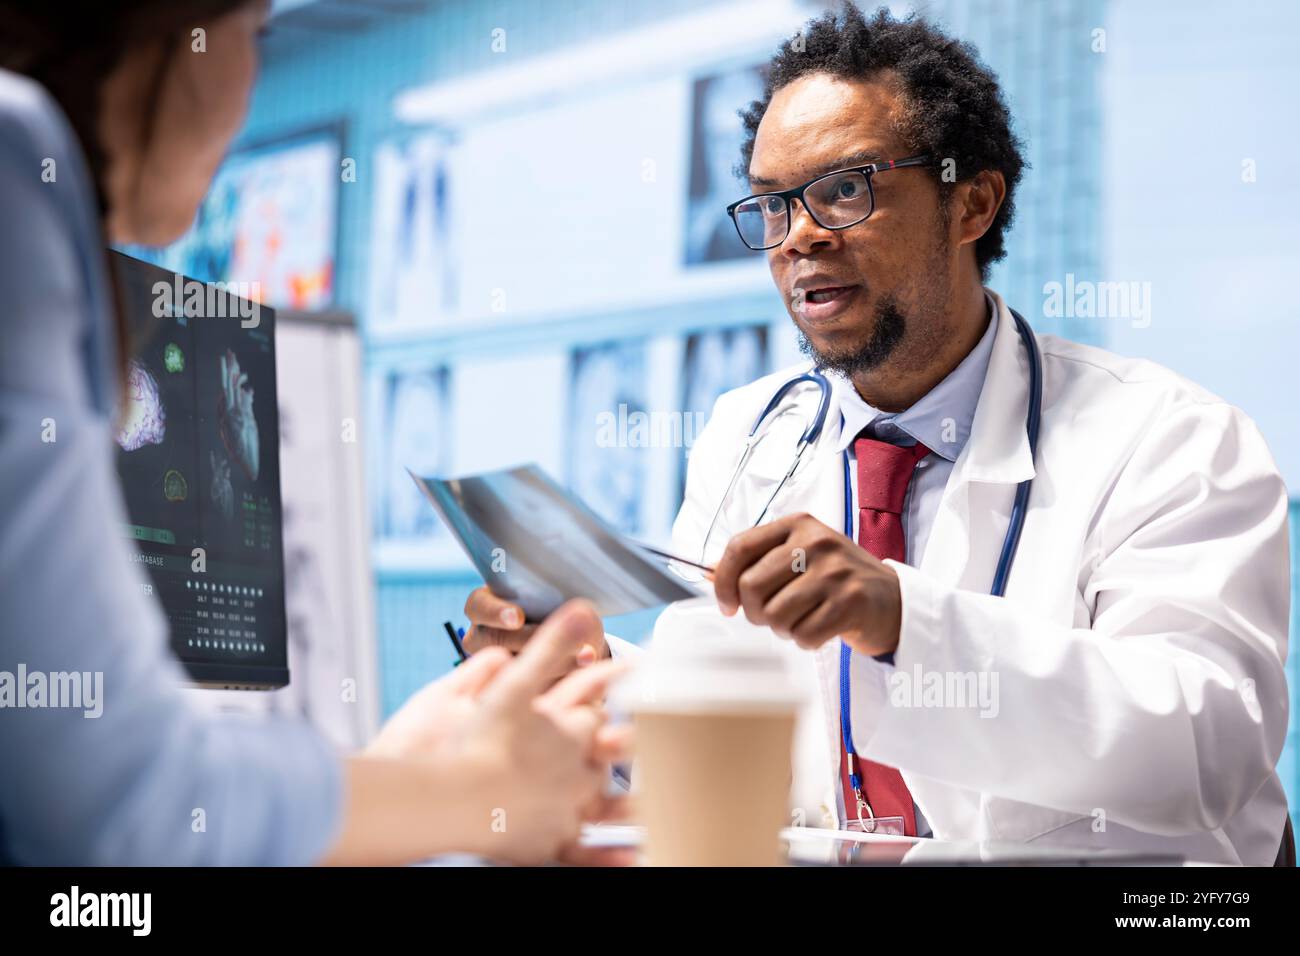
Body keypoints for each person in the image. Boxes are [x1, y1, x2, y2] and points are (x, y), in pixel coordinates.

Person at [464, 6, 1292, 865]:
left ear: (972, 202)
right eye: (774, 206)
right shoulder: (750, 433)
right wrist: (588, 680)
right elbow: (724, 712)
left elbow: (1207, 738)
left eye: (846, 189)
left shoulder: (1171, 439)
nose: (801, 237)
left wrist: (904, 622)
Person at [0, 0, 627, 866]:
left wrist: (406, 770)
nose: (247, 82)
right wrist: (479, 791)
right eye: (253, 35)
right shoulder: (11, 148)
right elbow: (113, 809)